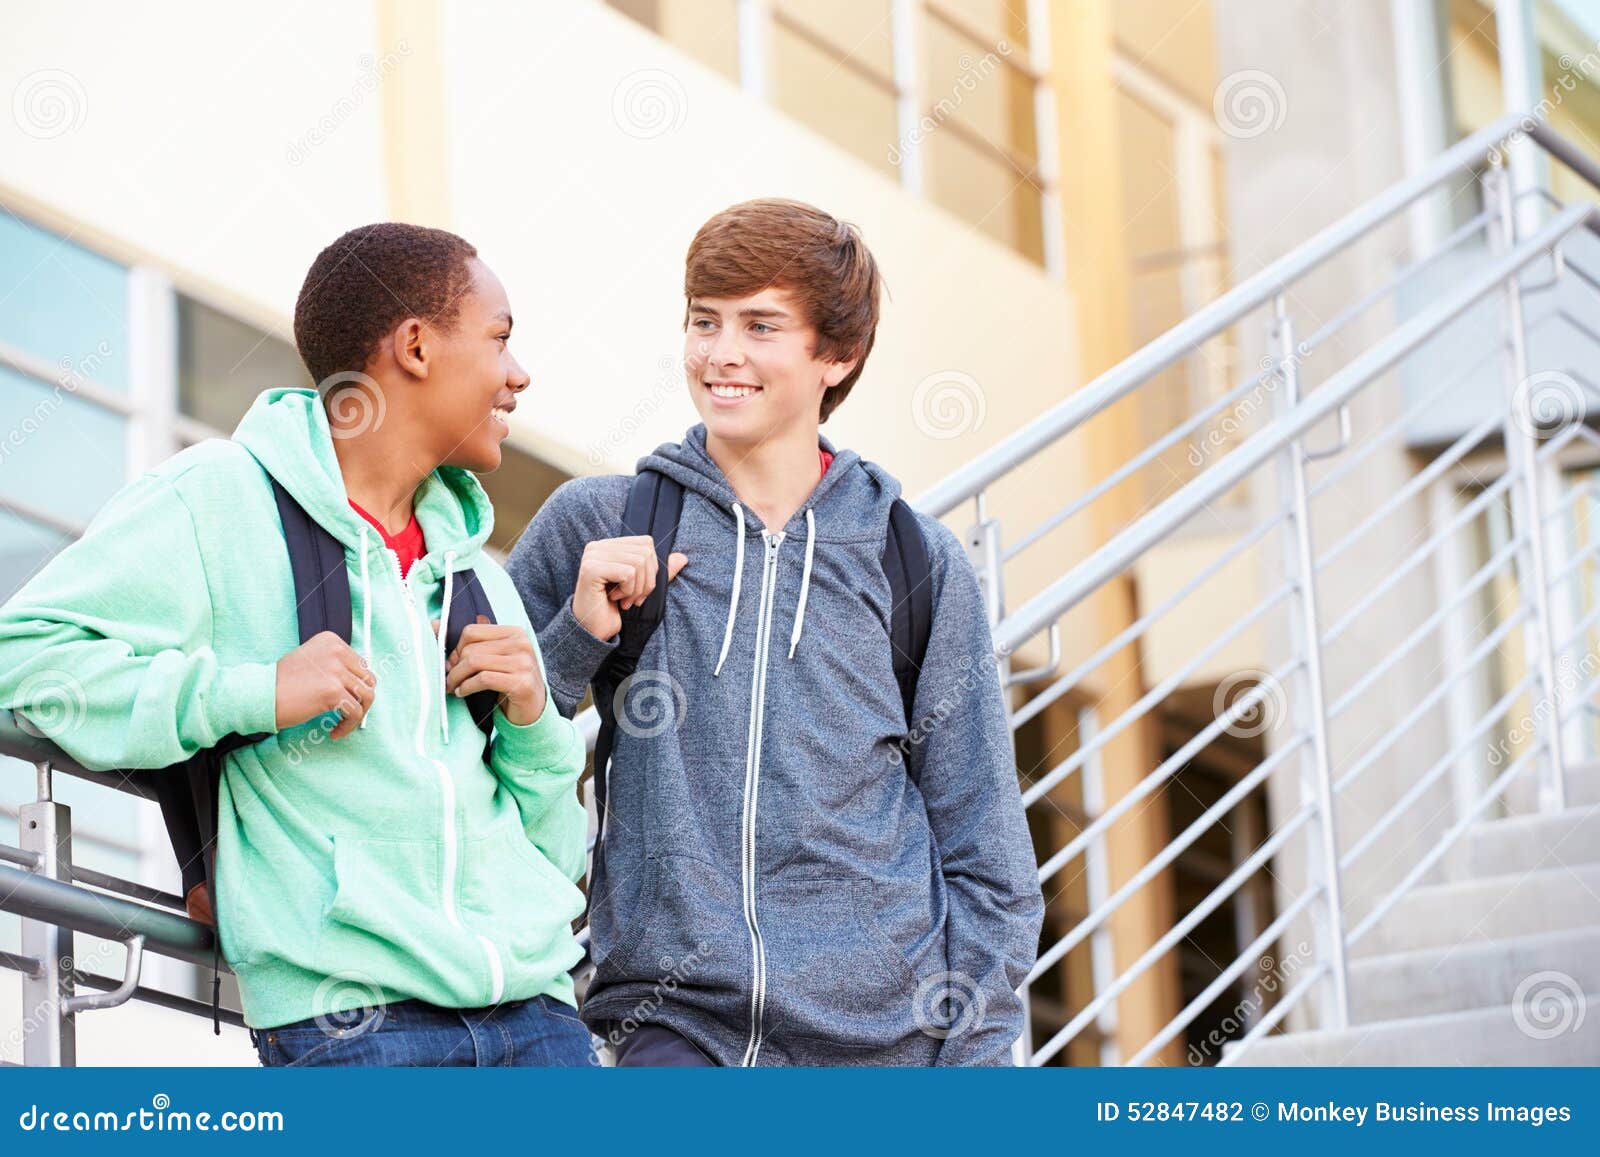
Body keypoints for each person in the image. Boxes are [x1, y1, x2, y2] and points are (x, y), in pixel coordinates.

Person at [0, 223, 596, 1067]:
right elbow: (21, 657)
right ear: (416, 347)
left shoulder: (479, 575)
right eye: (500, 339)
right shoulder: (218, 498)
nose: (517, 373)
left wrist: (536, 721)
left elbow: (553, 862)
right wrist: (251, 693)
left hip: (539, 1022)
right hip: (357, 1027)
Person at [508, 199, 1043, 1066]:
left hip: (887, 1048)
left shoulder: (913, 559)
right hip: (674, 1030)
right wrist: (575, 636)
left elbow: (986, 847)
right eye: (703, 321)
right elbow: (474, 732)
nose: (722, 352)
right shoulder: (603, 524)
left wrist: (966, 1056)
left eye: (760, 326)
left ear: (838, 355)